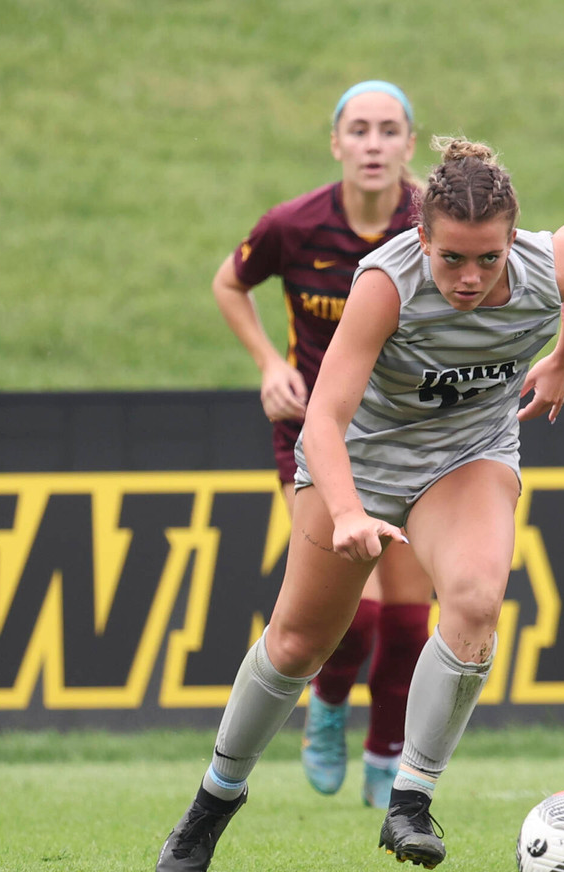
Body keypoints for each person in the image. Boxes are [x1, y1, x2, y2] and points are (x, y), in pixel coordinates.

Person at [157, 137, 564, 872]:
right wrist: (346, 513)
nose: (470, 278)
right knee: (299, 643)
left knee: (476, 602)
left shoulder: (546, 265)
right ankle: (215, 798)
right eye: (451, 258)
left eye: (488, 258)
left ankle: (411, 800)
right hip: (358, 460)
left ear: (512, 241)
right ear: (421, 237)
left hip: (467, 455)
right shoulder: (385, 283)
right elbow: (323, 420)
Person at [211, 80, 433, 809]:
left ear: (409, 144)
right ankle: (329, 704)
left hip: (410, 436)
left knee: (407, 620)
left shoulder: (433, 223)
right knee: (354, 614)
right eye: (359, 130)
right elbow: (229, 283)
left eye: (389, 130)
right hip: (317, 435)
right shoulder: (293, 225)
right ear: (335, 142)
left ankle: (388, 750)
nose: (373, 144)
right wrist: (268, 364)